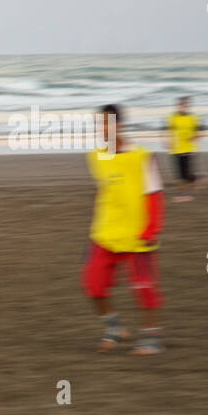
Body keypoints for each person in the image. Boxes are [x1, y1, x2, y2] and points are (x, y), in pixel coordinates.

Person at [81, 105, 166, 355]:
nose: (103, 129)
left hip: (137, 235)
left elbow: (155, 195)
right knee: (92, 284)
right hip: (104, 233)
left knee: (144, 287)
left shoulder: (142, 156)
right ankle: (113, 328)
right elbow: (105, 189)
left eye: (108, 123)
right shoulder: (95, 157)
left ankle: (152, 338)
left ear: (121, 125)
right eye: (100, 124)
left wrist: (151, 230)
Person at [165, 96, 204, 202]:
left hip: (189, 148)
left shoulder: (194, 118)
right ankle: (196, 179)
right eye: (181, 105)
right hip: (176, 149)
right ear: (178, 106)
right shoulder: (172, 117)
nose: (183, 107)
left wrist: (195, 136)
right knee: (178, 173)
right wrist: (167, 141)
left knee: (185, 173)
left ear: (188, 106)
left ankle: (185, 194)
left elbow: (201, 131)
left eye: (186, 105)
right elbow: (168, 130)